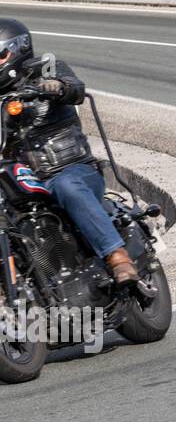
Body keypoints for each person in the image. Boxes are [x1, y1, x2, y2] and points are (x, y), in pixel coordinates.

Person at [0, 19, 149, 291]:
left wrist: (57, 87)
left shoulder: (45, 68)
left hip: (71, 170)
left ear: (18, 49)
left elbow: (74, 87)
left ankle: (117, 256)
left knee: (67, 186)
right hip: (24, 181)